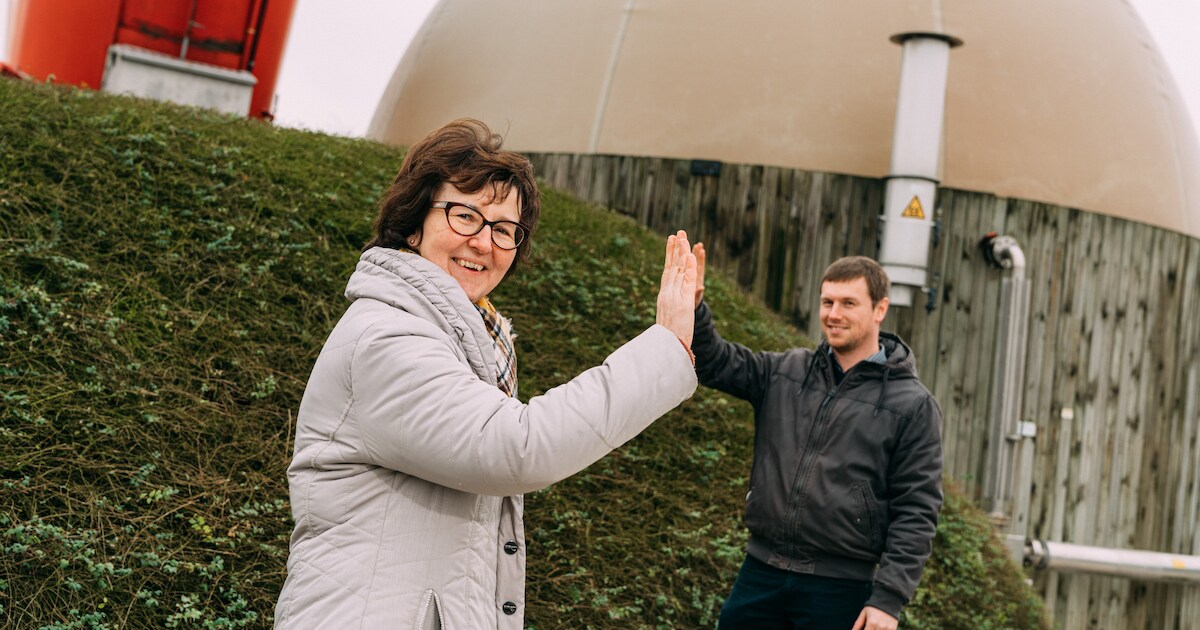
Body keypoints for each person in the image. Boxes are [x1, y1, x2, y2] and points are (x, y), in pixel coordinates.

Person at [274, 118, 700, 629]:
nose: (483, 242)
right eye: (464, 215)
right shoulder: (386, 338)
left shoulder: (468, 341)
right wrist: (665, 347)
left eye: (504, 229)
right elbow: (514, 446)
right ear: (413, 225)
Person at [690, 250, 943, 630]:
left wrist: (888, 600)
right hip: (761, 574)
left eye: (848, 303)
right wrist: (692, 309)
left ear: (880, 309)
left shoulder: (913, 405)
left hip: (839, 589)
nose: (833, 314)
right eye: (827, 302)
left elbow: (917, 509)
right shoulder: (786, 371)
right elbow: (716, 362)